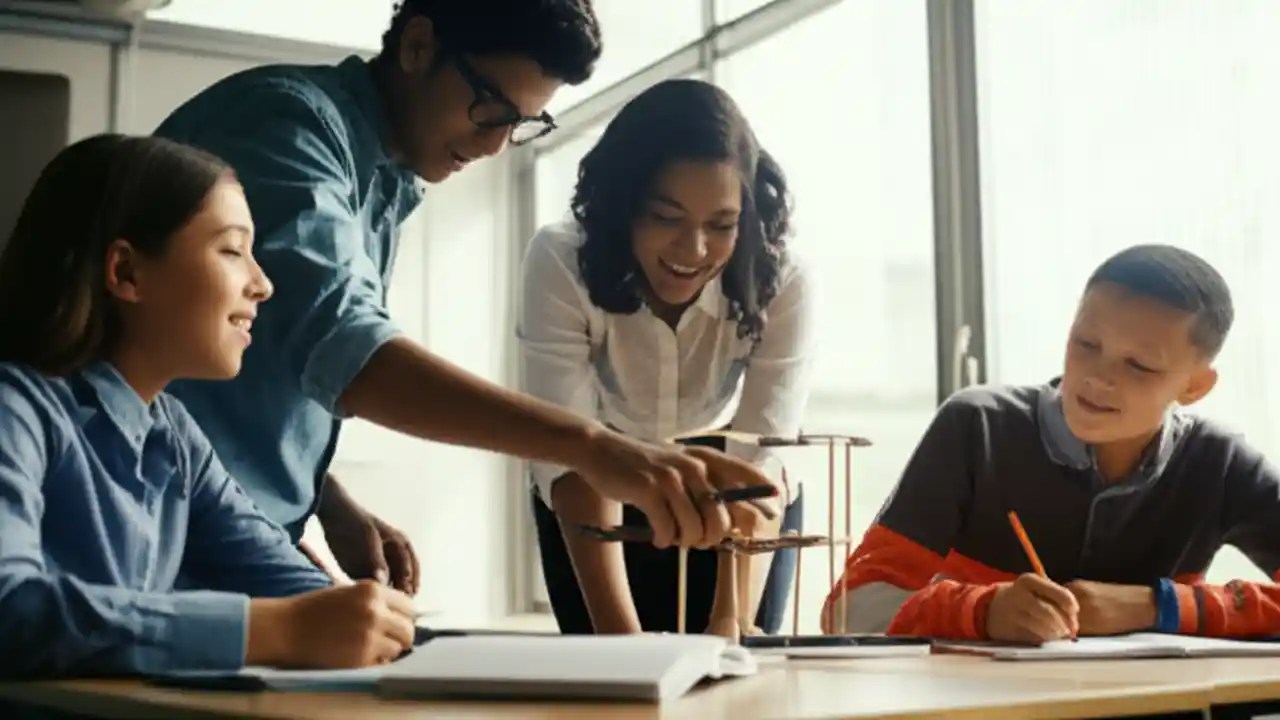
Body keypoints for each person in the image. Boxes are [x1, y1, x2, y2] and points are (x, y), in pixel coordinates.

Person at [154, 0, 776, 595]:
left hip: (231, 527)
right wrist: (591, 445)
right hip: (164, 528)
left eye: (521, 123)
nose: (494, 145)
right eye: (491, 108)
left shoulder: (380, 176)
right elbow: (345, 349)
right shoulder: (286, 127)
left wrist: (323, 499)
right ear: (418, 45)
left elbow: (270, 368)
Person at [0, 134, 418, 677]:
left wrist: (387, 628)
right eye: (232, 250)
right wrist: (276, 630)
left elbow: (291, 585)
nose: (262, 284)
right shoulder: (16, 410)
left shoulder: (174, 436)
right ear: (126, 273)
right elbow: (11, 609)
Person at [822, 245, 1280, 642]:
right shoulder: (979, 426)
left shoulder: (1222, 463)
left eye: (1138, 366)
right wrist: (983, 611)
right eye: (1086, 344)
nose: (1098, 378)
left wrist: (1155, 606)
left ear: (1195, 387)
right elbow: (848, 610)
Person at [520, 79, 815, 635]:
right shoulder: (560, 258)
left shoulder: (782, 278)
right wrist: (622, 647)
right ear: (624, 204)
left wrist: (730, 622)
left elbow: (761, 455)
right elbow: (571, 448)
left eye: (721, 225)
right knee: (610, 673)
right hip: (599, 468)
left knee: (735, 665)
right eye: (666, 217)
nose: (694, 250)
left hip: (734, 485)